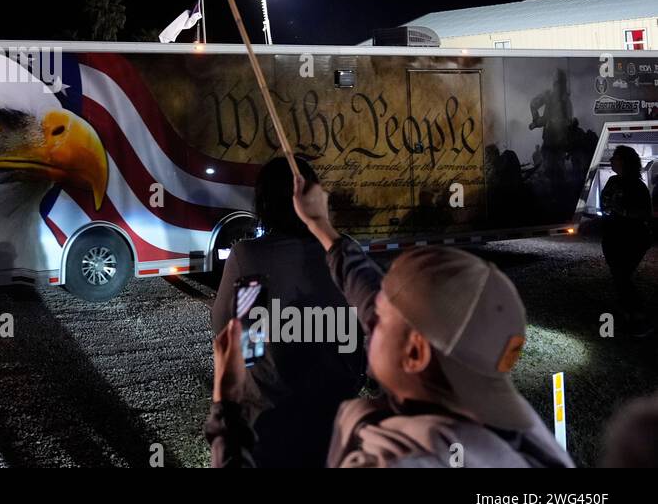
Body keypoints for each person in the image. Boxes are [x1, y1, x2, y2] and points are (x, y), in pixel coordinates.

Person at [206, 169, 573, 468]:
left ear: (415, 354)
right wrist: (324, 230)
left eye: (382, 317)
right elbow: (365, 289)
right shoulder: (513, 432)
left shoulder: (394, 455)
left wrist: (226, 406)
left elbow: (233, 330)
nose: (370, 316)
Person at [209, 157, 366, 467]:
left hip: (268, 425)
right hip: (337, 421)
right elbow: (367, 322)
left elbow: (225, 330)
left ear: (263, 202)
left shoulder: (247, 255)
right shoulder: (345, 251)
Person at [598, 145, 654, 337]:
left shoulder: (638, 186)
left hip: (633, 239)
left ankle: (640, 318)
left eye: (616, 157)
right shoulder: (613, 181)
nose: (612, 160)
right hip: (613, 237)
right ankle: (628, 313)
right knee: (618, 275)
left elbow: (645, 213)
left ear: (626, 162)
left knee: (622, 275)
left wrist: (622, 211)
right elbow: (604, 201)